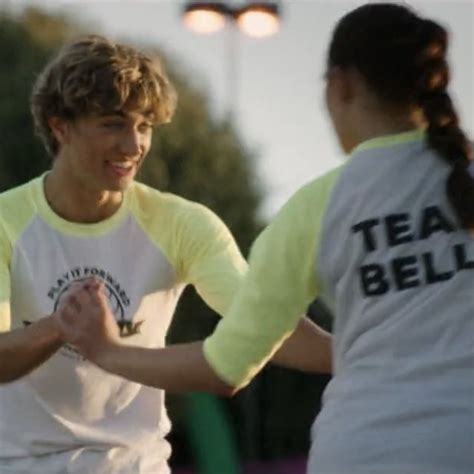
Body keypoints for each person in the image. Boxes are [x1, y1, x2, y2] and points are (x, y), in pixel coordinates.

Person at [56, 3, 474, 474]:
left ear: (341, 85)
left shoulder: (316, 208)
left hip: (365, 451)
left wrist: (106, 350)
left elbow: (224, 367)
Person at [0, 35, 332, 473]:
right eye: (113, 123)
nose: (133, 144)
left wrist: (358, 355)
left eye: (144, 126)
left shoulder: (183, 223)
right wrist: (59, 326)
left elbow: (261, 323)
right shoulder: (7, 221)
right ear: (60, 125)